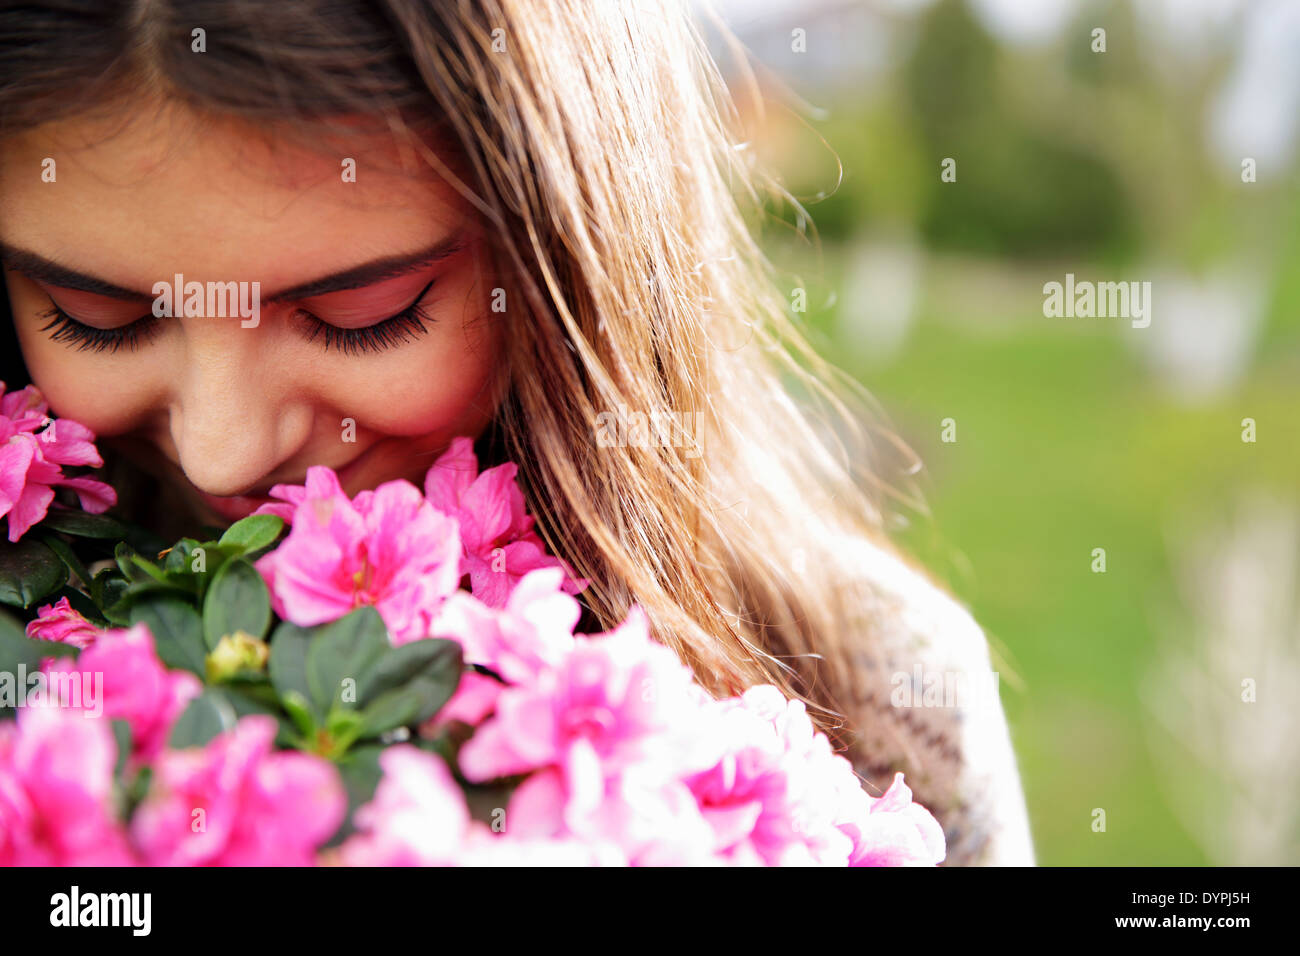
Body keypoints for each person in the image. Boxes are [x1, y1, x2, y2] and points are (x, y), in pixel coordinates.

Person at [0, 0, 1033, 864]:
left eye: (365, 314)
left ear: (565, 258)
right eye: (99, 316)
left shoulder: (890, 707)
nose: (221, 449)